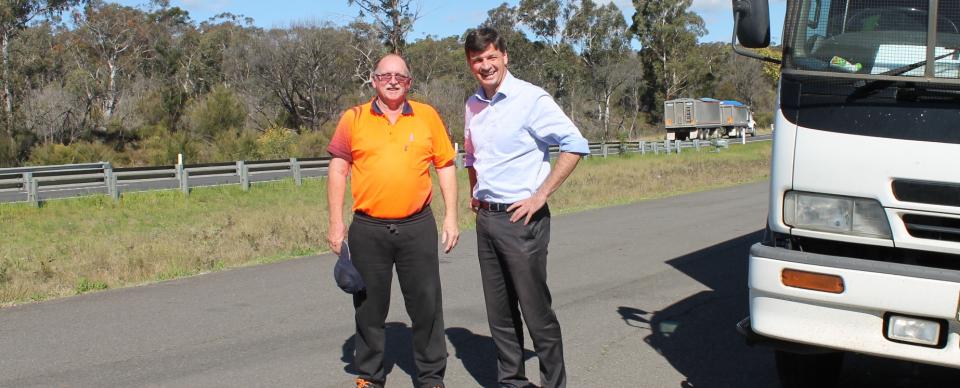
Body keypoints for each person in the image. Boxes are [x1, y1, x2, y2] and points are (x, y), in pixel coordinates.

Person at [462, 28, 589, 388]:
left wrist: (541, 195)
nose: (485, 65)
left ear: (504, 56)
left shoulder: (530, 98)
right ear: (470, 64)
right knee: (499, 314)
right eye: (477, 60)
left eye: (490, 57)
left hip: (522, 219)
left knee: (535, 312)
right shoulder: (472, 105)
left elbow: (574, 144)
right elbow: (472, 155)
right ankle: (512, 382)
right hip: (486, 218)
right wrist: (475, 191)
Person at [326, 53, 459, 388]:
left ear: (409, 82)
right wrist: (336, 223)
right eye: (385, 75)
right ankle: (369, 376)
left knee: (426, 305)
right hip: (368, 229)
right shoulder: (353, 119)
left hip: (417, 226)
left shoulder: (427, 116)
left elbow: (445, 165)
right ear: (373, 80)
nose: (393, 80)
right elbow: (338, 169)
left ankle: (431, 378)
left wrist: (452, 217)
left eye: (400, 75)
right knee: (369, 307)